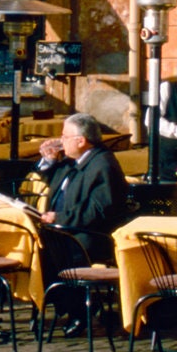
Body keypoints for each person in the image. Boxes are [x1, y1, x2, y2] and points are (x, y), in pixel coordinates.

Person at [38, 113, 131, 326]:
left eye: (65, 136)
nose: (60, 141)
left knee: (54, 250)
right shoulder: (75, 161)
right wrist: (50, 160)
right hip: (63, 228)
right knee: (38, 247)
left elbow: (98, 211)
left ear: (81, 140)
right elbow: (54, 181)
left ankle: (78, 310)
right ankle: (61, 304)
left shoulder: (102, 165)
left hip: (89, 235)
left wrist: (60, 217)